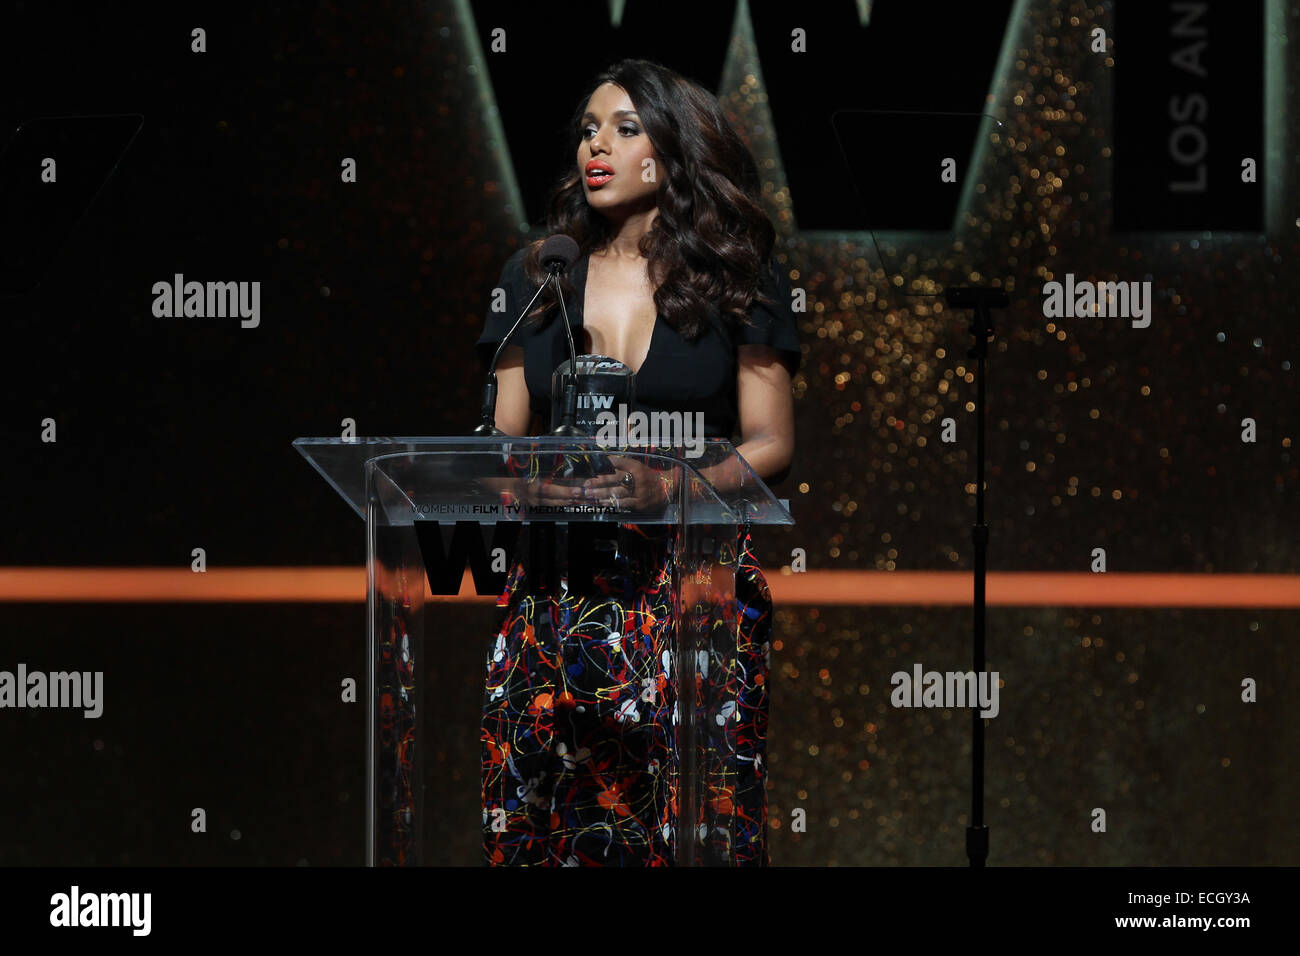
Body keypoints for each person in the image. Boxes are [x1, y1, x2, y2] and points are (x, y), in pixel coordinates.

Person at [475, 58, 800, 866]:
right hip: (559, 593)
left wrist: (672, 485)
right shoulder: (535, 277)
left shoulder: (737, 278)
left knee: (696, 827)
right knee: (548, 825)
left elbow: (772, 443)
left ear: (673, 148)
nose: (598, 145)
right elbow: (498, 449)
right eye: (588, 128)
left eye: (624, 128)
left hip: (688, 592)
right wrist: (538, 482)